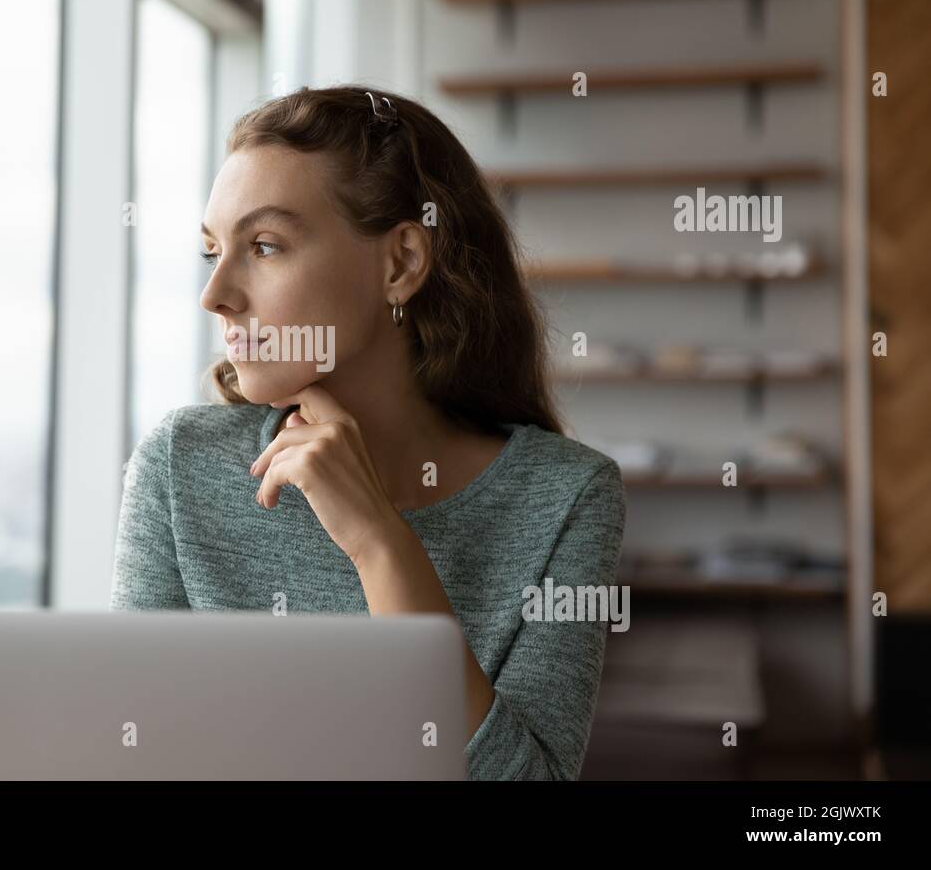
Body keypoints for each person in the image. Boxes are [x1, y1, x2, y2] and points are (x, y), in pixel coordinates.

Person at [110, 85, 626, 780]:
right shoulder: (180, 467)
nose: (216, 294)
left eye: (263, 246)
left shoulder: (568, 497)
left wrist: (378, 542)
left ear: (401, 263)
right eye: (213, 252)